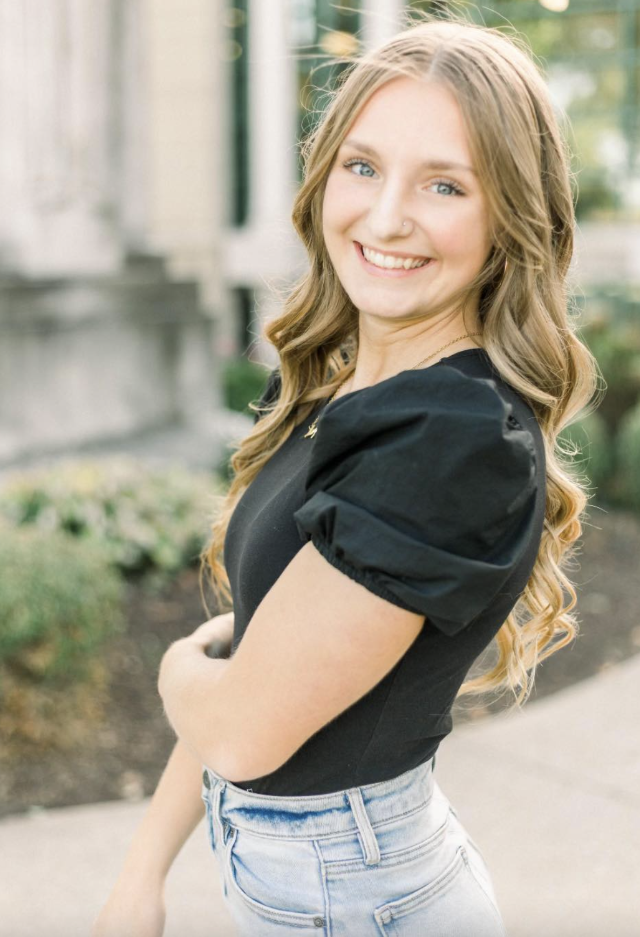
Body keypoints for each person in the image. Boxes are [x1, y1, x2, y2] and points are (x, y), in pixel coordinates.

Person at [92, 10, 601, 937]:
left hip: (356, 902)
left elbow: (240, 725)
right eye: (363, 166)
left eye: (444, 184)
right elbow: (255, 658)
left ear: (509, 219)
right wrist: (141, 875)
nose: (387, 216)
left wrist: (174, 669)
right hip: (322, 882)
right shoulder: (354, 392)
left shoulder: (450, 438)